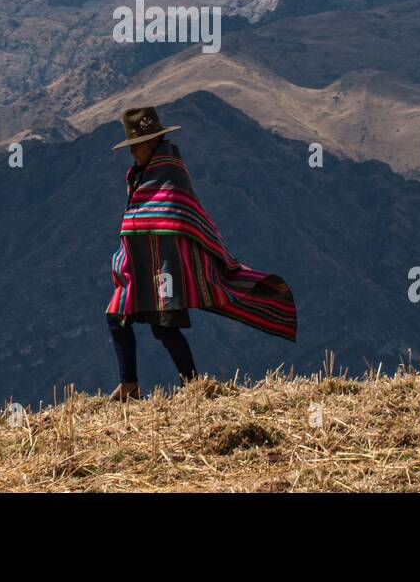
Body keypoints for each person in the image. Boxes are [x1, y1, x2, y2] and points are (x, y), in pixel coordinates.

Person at [105, 106, 298, 401]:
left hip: (165, 270)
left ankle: (193, 386)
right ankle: (130, 384)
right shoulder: (141, 173)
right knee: (116, 317)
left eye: (136, 145)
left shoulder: (168, 171)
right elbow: (143, 219)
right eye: (130, 146)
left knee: (163, 329)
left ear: (152, 142)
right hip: (141, 266)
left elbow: (174, 215)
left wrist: (140, 228)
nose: (132, 152)